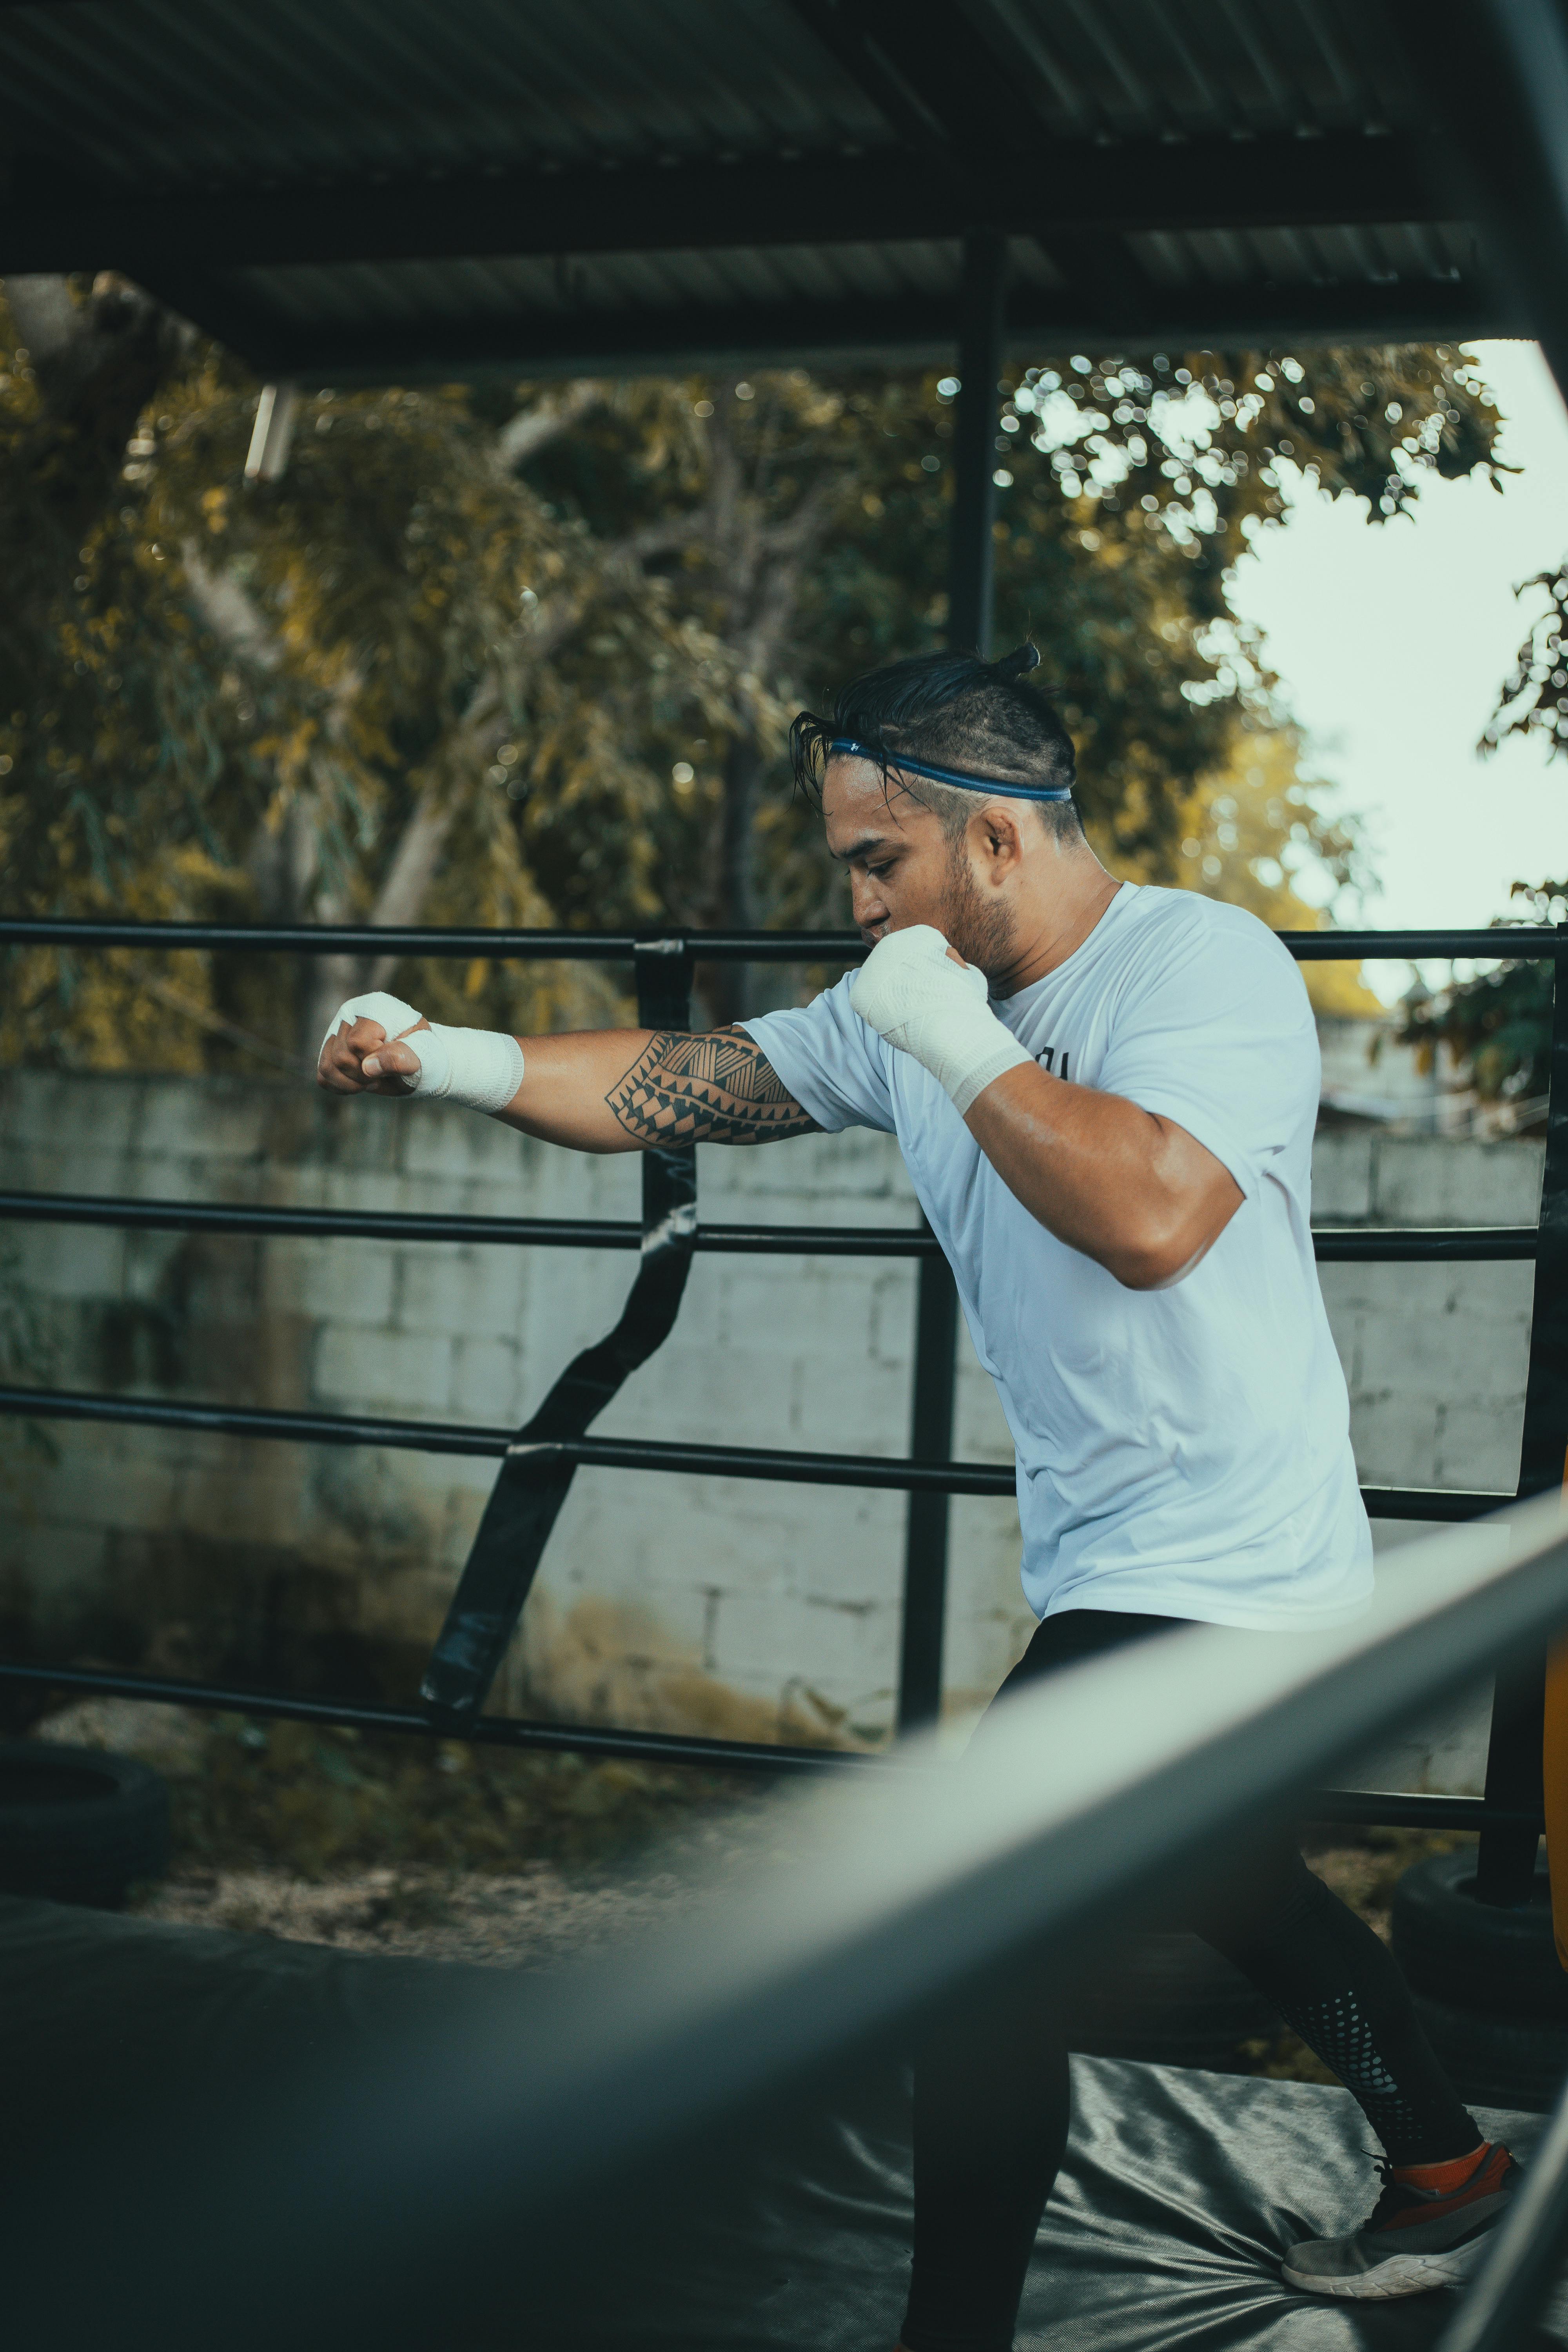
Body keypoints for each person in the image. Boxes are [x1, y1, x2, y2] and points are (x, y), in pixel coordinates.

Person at [317, 644, 1520, 2340]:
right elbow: (692, 1078)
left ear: (1000, 842)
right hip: (1120, 1557)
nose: (860, 901)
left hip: (1229, 1571)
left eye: (880, 862)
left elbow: (1154, 1216)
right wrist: (450, 1054)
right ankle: (1448, 2174)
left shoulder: (1200, 965)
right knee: (1231, 1877)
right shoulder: (905, 1006)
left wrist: (949, 1034)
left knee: (975, 1944)